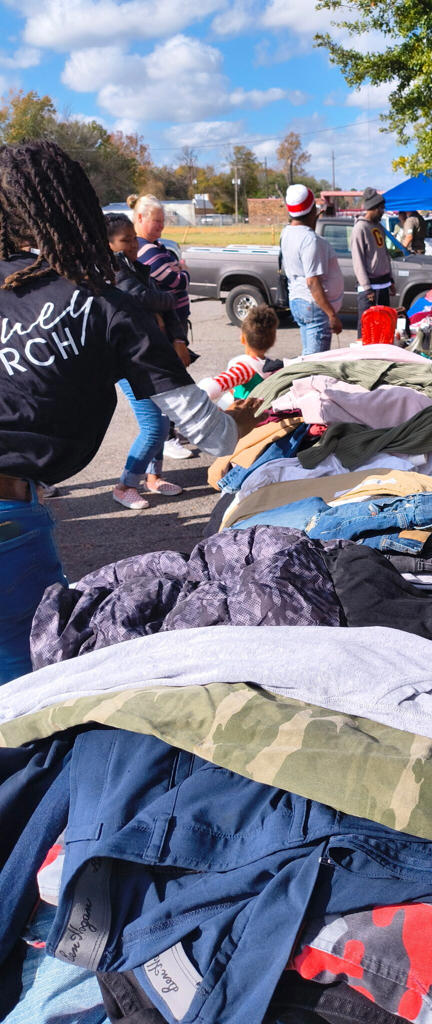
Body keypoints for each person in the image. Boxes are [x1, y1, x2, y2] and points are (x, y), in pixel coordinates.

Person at [0, 140, 260, 683]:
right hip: (10, 528)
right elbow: (207, 433)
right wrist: (243, 420)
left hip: (18, 515)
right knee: (30, 698)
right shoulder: (105, 302)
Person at [105, 213, 187, 510]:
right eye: (125, 241)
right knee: (155, 426)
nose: (132, 247)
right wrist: (165, 297)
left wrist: (179, 340)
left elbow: (168, 309)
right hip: (131, 363)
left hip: (154, 357)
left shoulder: (137, 267)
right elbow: (144, 299)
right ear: (107, 244)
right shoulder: (111, 274)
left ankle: (153, 478)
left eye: (133, 240)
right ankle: (125, 484)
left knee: (163, 419)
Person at [128, 193, 193, 460]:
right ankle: (166, 438)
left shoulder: (157, 247)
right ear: (140, 218)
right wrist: (182, 272)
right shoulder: (148, 250)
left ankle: (170, 432)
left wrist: (179, 272)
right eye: (156, 221)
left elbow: (174, 277)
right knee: (168, 384)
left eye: (163, 221)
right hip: (164, 330)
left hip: (174, 326)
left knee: (174, 381)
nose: (161, 226)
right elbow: (175, 281)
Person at [280, 184, 344, 356]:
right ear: (312, 211)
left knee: (308, 356)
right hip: (313, 306)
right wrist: (331, 315)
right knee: (314, 365)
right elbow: (312, 282)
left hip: (299, 301)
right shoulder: (309, 239)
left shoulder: (286, 233)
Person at [197, 304, 282, 404]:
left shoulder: (244, 368)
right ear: (273, 341)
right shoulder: (275, 368)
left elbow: (215, 386)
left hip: (243, 416)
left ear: (242, 338)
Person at [351, 187, 393, 335]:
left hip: (383, 284)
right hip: (369, 289)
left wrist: (391, 280)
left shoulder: (379, 227)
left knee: (383, 326)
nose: (383, 211)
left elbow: (384, 254)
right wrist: (367, 287)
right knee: (366, 327)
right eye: (381, 208)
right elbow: (358, 261)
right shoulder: (360, 228)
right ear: (373, 208)